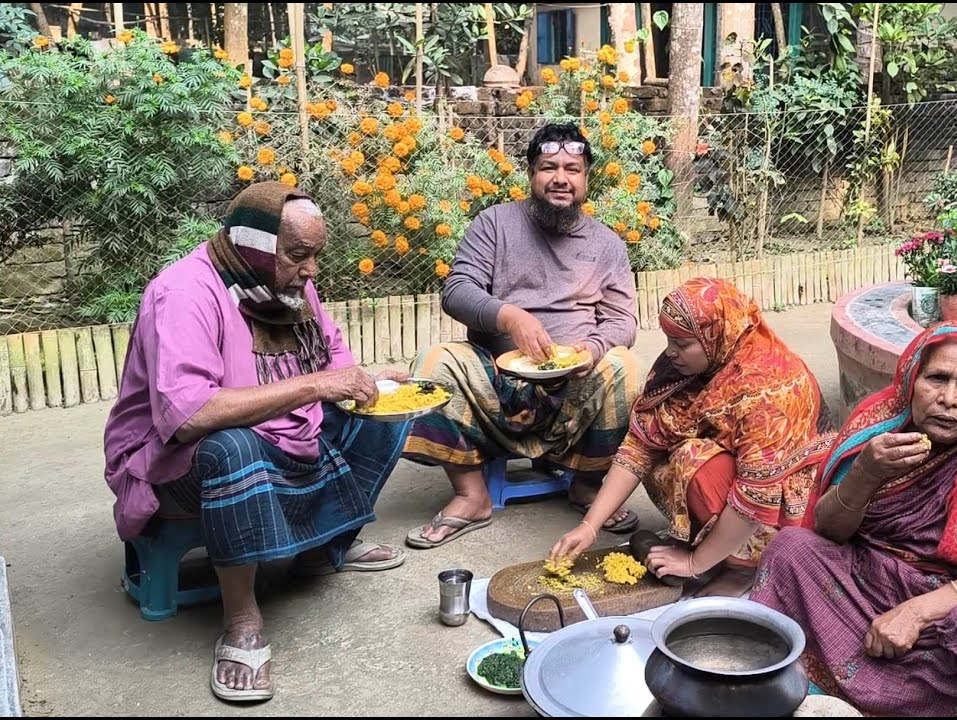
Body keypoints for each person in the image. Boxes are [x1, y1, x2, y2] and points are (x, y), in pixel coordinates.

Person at [103, 182, 410, 703]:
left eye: (315, 255)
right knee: (232, 447)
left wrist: (367, 380)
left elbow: (332, 359)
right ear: (257, 247)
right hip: (172, 459)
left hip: (280, 430)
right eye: (298, 255)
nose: (311, 270)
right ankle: (242, 620)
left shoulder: (288, 288)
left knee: (387, 412)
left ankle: (324, 545)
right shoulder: (184, 294)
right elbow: (190, 415)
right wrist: (315, 386)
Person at [748, 322, 957, 717]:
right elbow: (827, 531)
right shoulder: (876, 427)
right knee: (789, 549)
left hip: (953, 601)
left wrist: (916, 612)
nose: (948, 399)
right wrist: (866, 473)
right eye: (937, 378)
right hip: (864, 584)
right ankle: (802, 689)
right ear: (912, 378)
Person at [402, 123, 642, 548]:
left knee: (624, 365)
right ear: (531, 173)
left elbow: (622, 320)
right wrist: (509, 316)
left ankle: (588, 484)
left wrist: (593, 348)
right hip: (496, 382)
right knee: (433, 362)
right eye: (549, 167)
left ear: (587, 178)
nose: (560, 178)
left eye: (572, 169)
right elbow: (456, 291)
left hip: (574, 386)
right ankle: (471, 495)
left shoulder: (607, 244)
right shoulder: (494, 223)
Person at [551, 277, 835, 597]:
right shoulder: (687, 367)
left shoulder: (768, 386)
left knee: (692, 459)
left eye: (682, 344)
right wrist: (589, 526)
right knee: (662, 445)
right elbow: (640, 446)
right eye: (669, 340)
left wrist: (693, 564)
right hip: (742, 482)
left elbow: (758, 496)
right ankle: (715, 546)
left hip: (789, 503)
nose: (671, 353)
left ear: (716, 335)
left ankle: (743, 566)